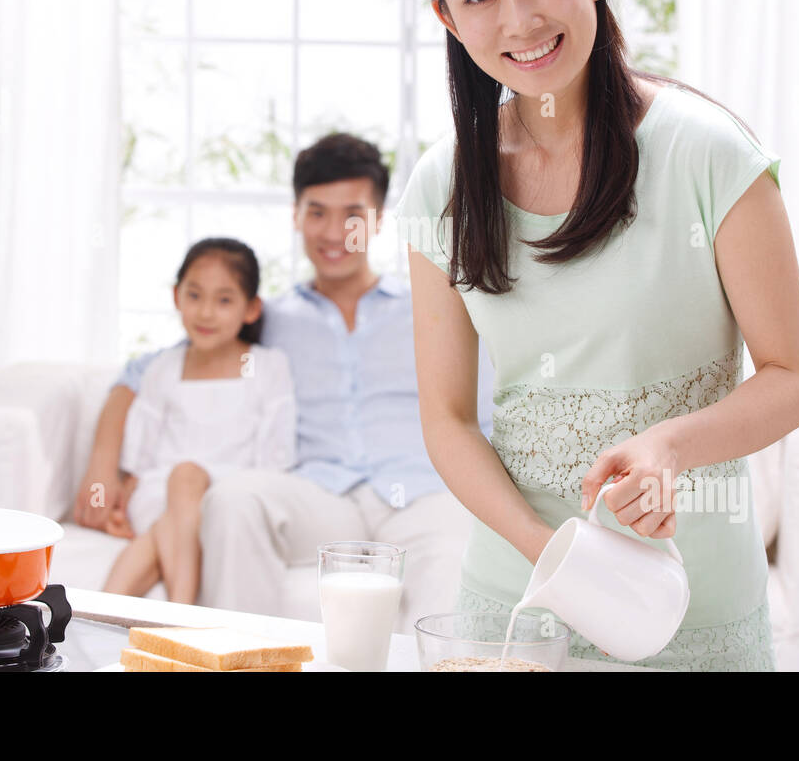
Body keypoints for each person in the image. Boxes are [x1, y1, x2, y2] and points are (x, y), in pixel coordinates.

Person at [394, 0, 799, 670]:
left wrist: (668, 446)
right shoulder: (439, 187)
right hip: (517, 597)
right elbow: (447, 420)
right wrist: (553, 555)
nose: (518, 20)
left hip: (687, 599)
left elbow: (796, 376)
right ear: (447, 19)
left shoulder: (708, 154)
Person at [75, 132, 495, 631]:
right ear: (296, 215)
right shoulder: (268, 319)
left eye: (352, 214)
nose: (334, 231)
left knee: (452, 547)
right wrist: (102, 469)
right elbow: (139, 373)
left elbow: (486, 404)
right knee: (234, 499)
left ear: (380, 219)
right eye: (317, 212)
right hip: (320, 498)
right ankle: (234, 660)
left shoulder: (427, 308)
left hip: (421, 494)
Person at [100, 238, 295, 604]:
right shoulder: (163, 367)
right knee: (184, 478)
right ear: (176, 296)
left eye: (224, 300)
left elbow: (275, 457)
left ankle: (95, 625)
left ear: (251, 309)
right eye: (195, 296)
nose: (205, 312)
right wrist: (122, 500)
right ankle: (184, 612)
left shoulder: (269, 366)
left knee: (169, 520)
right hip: (160, 492)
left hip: (228, 498)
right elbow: (140, 457)